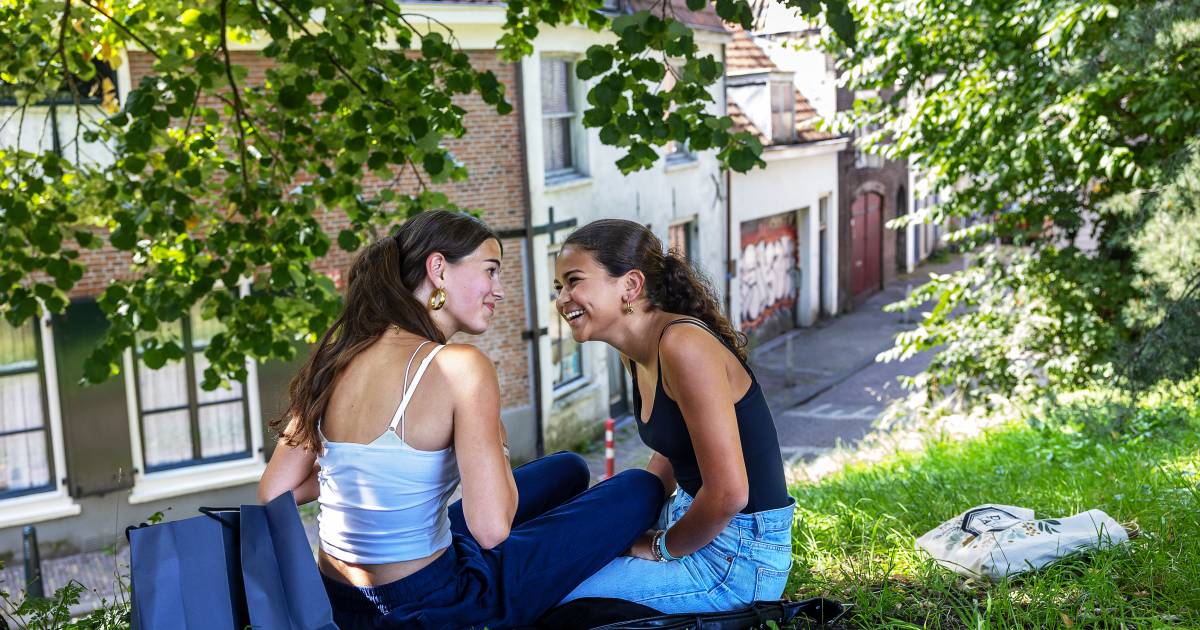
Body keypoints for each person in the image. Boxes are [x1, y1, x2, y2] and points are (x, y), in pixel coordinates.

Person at [258, 210, 666, 629]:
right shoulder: (460, 368)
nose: (499, 291)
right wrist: (496, 437)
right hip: (432, 604)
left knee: (569, 469)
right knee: (638, 488)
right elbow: (491, 530)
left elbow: (275, 491)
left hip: (339, 598)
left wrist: (353, 467)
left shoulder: (337, 358)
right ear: (438, 269)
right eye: (490, 270)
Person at [553, 219, 796, 613]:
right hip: (691, 516)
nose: (563, 299)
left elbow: (730, 494)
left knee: (559, 596)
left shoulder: (683, 344)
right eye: (558, 287)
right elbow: (673, 449)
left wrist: (657, 545)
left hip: (739, 558)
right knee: (556, 564)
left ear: (630, 286)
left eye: (574, 281)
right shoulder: (633, 349)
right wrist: (623, 515)